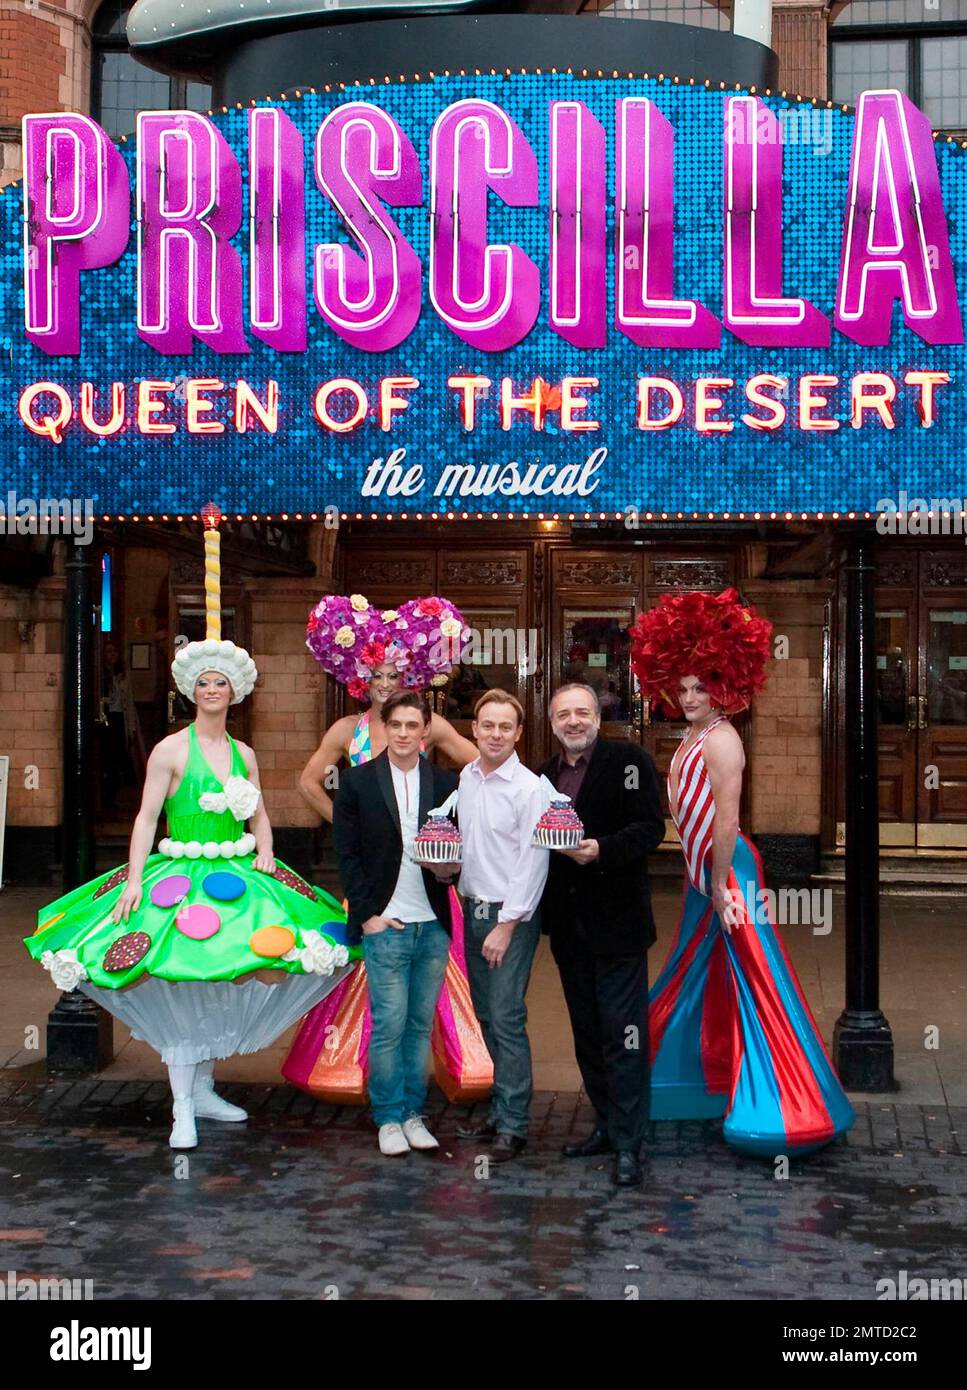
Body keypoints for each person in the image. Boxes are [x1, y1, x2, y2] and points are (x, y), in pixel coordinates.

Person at [25, 511, 353, 1150]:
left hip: (234, 873)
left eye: (221, 684)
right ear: (190, 691)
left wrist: (266, 849)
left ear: (234, 694)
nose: (212, 691)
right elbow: (147, 817)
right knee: (178, 981)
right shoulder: (170, 752)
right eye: (203, 682)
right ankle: (181, 1105)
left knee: (215, 981)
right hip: (178, 875)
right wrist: (131, 880)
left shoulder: (245, 752)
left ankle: (201, 1088)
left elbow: (257, 809)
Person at [629, 587, 856, 1157]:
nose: (688, 696)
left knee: (756, 974)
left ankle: (788, 1101)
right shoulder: (695, 734)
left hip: (729, 870)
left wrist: (723, 887)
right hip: (707, 869)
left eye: (699, 686)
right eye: (681, 687)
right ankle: (695, 1078)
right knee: (701, 966)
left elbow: (726, 819)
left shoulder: (724, 739)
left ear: (725, 685)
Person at [283, 592, 491, 1104]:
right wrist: (347, 825)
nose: (385, 686)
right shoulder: (346, 730)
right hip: (373, 881)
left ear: (408, 682)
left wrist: (454, 829)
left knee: (429, 990)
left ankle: (438, 1076)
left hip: (426, 882)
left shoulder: (429, 726)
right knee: (378, 993)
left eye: (393, 677)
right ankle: (369, 1087)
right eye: (377, 678)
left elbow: (480, 769)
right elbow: (308, 782)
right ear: (362, 681)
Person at [539, 683, 665, 1188]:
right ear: (552, 722)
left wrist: (601, 850)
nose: (573, 721)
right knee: (588, 1035)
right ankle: (607, 1127)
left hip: (619, 926)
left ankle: (631, 1145)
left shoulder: (628, 761)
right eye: (564, 714)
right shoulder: (544, 775)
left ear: (598, 716)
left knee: (624, 1037)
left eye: (582, 712)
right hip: (568, 929)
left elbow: (650, 828)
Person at [331, 690, 457, 1156]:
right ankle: (387, 1116)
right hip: (386, 923)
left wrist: (451, 870)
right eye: (396, 725)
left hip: (433, 924)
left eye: (413, 726)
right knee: (389, 1024)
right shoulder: (358, 783)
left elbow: (454, 849)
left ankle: (412, 1112)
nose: (404, 734)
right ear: (383, 728)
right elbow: (347, 855)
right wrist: (367, 917)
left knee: (420, 1025)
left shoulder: (444, 783)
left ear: (426, 731)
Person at [453, 690, 549, 1162]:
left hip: (508, 918)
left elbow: (534, 862)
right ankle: (498, 1108)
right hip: (470, 908)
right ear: (474, 729)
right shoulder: (466, 778)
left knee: (507, 1017)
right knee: (486, 1014)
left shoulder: (531, 789)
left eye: (505, 727)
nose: (495, 734)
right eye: (487, 725)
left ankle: (513, 1123)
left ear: (518, 733)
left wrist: (507, 924)